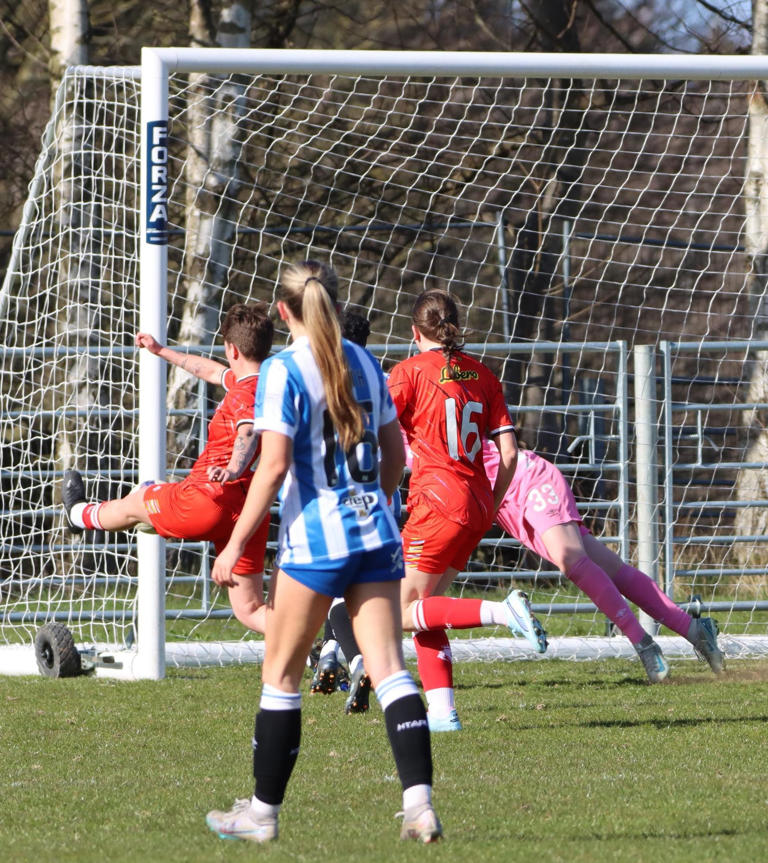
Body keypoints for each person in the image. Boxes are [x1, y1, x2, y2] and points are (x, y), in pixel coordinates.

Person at [205, 260, 441, 845]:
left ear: (283, 312)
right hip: (376, 536)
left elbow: (275, 466)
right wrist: (376, 505)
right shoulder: (363, 360)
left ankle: (261, 814)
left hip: (316, 541)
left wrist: (235, 544)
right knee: (388, 668)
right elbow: (393, 454)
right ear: (333, 306)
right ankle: (420, 807)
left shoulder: (284, 370)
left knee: (281, 673)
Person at [387, 289, 547, 734]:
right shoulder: (482, 373)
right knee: (427, 607)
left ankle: (503, 612)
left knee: (399, 612)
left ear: (415, 332)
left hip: (437, 502)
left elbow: (374, 427)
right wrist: (490, 506)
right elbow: (510, 454)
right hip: (476, 502)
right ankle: (442, 712)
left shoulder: (408, 372)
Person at [61, 302, 274, 634]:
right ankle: (318, 649)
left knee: (139, 497)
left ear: (231, 348)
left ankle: (77, 515)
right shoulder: (268, 384)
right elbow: (210, 371)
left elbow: (248, 429)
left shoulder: (244, 394)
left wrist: (233, 466)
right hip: (249, 510)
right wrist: (161, 351)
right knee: (250, 609)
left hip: (207, 499)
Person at [482, 439, 724, 679]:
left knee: (573, 562)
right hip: (507, 504)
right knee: (609, 569)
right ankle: (694, 629)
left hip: (526, 481)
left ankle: (644, 645)